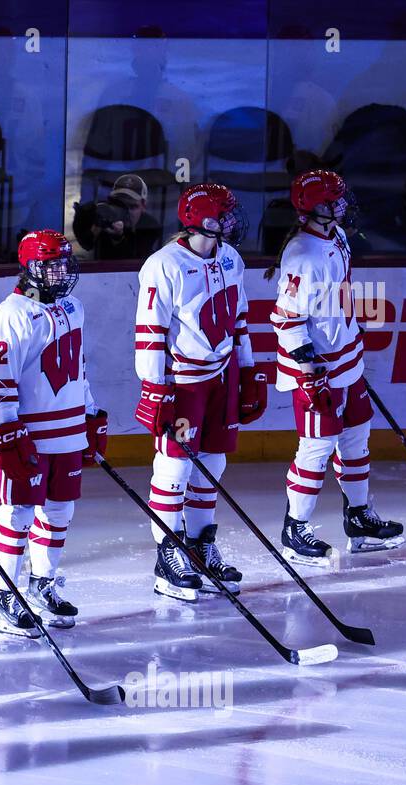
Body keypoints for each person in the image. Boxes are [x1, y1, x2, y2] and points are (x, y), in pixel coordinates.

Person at [134, 184, 266, 602]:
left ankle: (200, 543)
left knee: (214, 463)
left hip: (221, 377)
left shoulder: (230, 257)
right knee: (174, 468)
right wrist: (156, 389)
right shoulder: (163, 265)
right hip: (183, 382)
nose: (231, 221)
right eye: (222, 216)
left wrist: (249, 371)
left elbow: (240, 319)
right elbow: (150, 333)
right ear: (201, 220)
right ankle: (168, 554)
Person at [265, 170, 404, 564]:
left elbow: (341, 295)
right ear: (313, 207)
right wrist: (309, 371)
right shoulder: (302, 254)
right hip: (318, 369)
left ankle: (359, 519)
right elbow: (286, 319)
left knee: (357, 437)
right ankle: (295, 527)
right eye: (333, 201)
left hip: (346, 361)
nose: (342, 206)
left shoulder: (338, 237)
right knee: (317, 446)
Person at [0, 230, 106, 635]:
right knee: (17, 512)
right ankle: (5, 593)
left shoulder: (74, 307)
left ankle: (42, 584)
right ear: (29, 268)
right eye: (48, 264)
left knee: (59, 511)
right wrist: (6, 432)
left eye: (63, 263)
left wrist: (89, 413)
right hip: (30, 434)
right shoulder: (11, 315)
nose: (58, 272)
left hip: (68, 429)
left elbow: (80, 367)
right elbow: (0, 382)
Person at [72, 173, 161, 261]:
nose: (126, 212)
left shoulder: (149, 226)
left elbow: (133, 264)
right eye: (120, 205)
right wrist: (84, 217)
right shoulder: (103, 216)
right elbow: (85, 245)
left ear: (144, 205)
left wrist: (118, 238)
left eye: (132, 206)